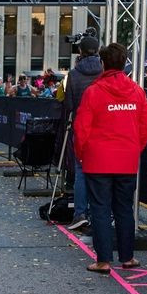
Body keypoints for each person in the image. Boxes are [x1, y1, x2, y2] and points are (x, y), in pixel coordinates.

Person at [74, 43, 147, 275]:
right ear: (124, 62)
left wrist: (81, 154)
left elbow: (81, 128)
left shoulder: (94, 91)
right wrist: (134, 148)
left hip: (98, 159)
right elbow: (146, 125)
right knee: (124, 208)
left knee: (100, 208)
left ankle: (104, 260)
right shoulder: (137, 91)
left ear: (103, 63)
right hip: (126, 159)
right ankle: (127, 257)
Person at [63, 35, 103, 231]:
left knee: (81, 171)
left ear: (80, 51)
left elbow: (69, 104)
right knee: (102, 172)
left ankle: (80, 213)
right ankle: (101, 213)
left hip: (81, 126)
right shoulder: (105, 72)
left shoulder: (74, 74)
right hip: (103, 126)